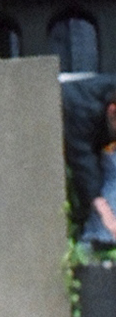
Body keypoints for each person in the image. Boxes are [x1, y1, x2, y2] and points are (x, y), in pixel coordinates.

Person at [61, 76, 116, 243]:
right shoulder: (83, 109)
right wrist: (107, 215)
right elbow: (83, 161)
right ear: (112, 111)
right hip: (62, 124)